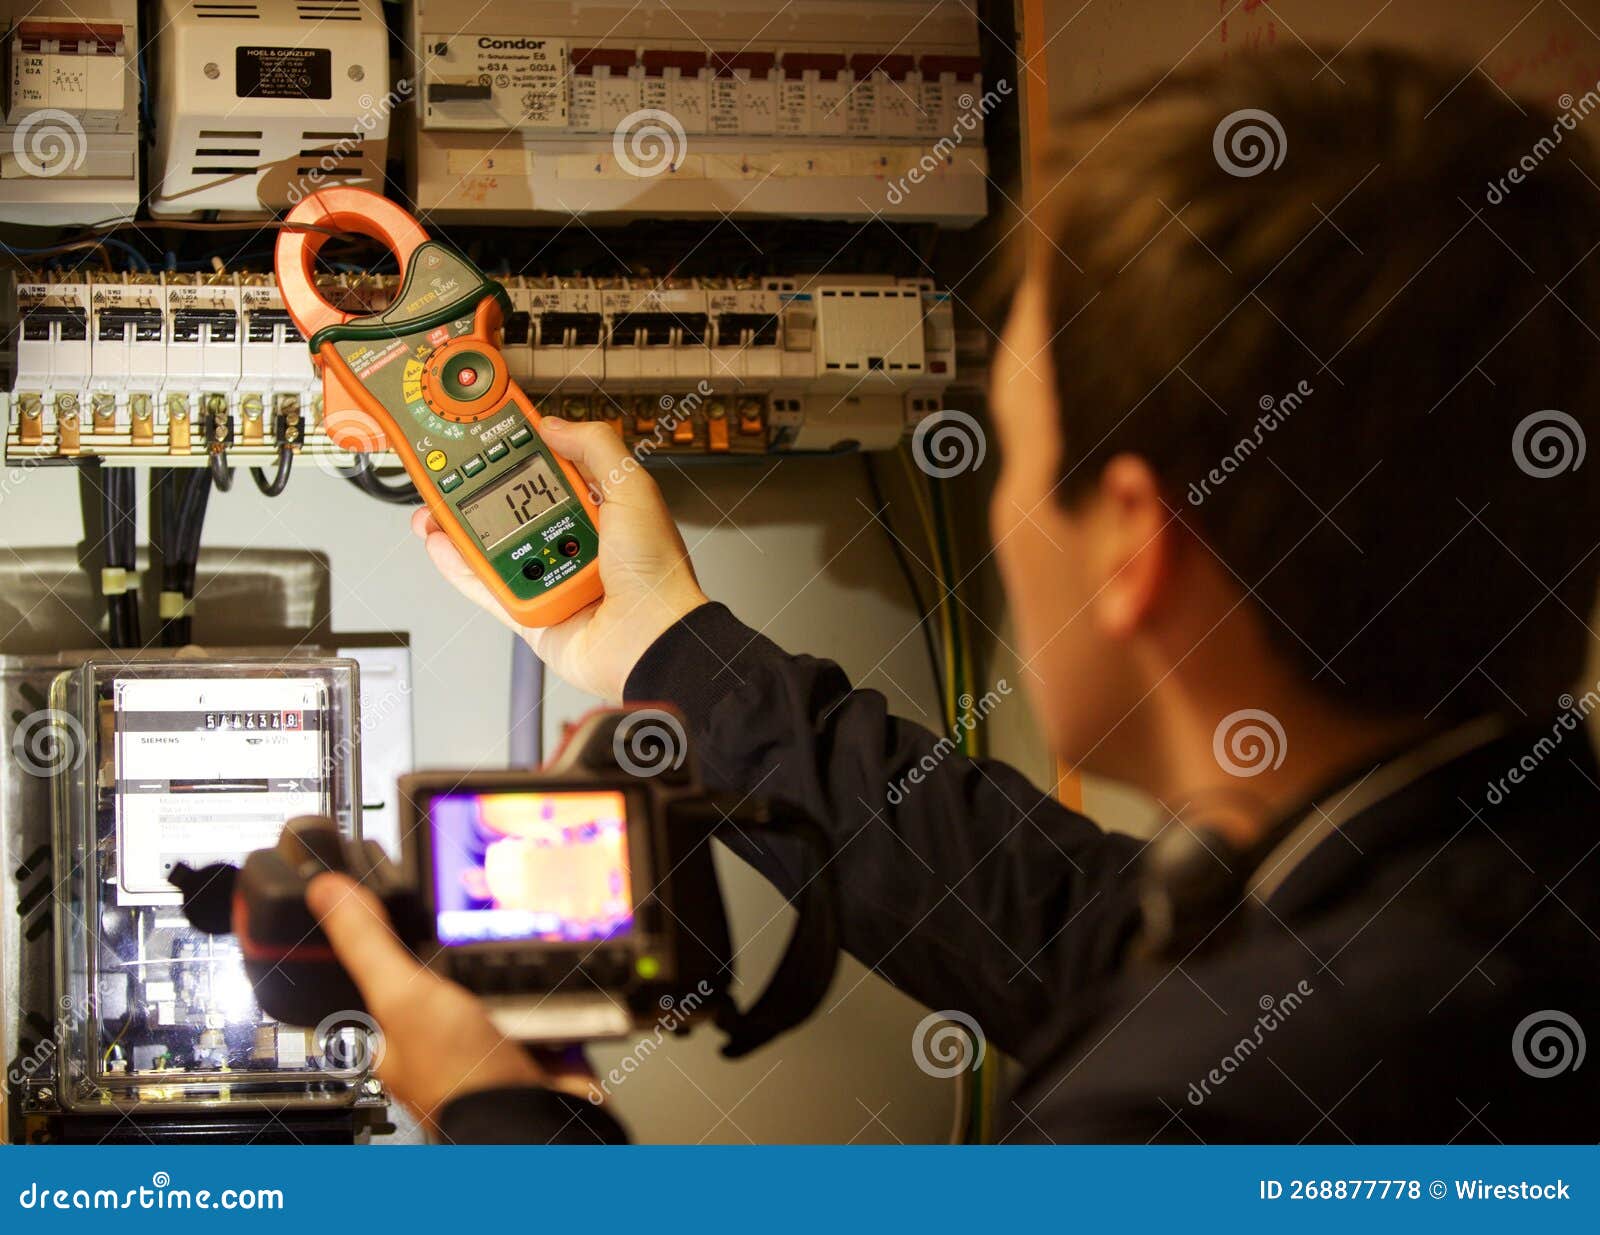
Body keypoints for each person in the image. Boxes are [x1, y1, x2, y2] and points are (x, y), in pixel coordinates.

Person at [307, 47, 1600, 1143]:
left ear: (1132, 546)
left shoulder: (1189, 1119)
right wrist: (661, 645)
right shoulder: (1467, 891)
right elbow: (1054, 918)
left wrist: (502, 1119)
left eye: (1012, 456)